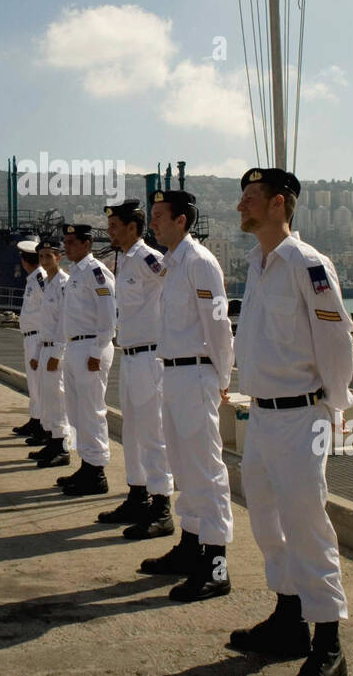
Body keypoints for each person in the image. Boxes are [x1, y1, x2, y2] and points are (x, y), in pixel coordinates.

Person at [229, 167, 353, 676]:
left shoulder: (308, 265)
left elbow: (336, 340)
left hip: (301, 416)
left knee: (307, 526)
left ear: (280, 204)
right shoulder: (259, 264)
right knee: (268, 522)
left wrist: (333, 406)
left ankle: (329, 644)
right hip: (260, 415)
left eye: (251, 199)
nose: (241, 207)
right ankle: (288, 621)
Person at [138, 190, 234, 603]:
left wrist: (222, 377)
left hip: (195, 374)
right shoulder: (172, 266)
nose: (153, 223)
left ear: (181, 220)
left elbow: (219, 326)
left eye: (159, 216)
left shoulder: (199, 263)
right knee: (183, 466)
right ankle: (190, 547)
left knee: (206, 470)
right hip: (172, 373)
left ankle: (216, 566)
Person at [101, 199, 174, 539]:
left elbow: (172, 283)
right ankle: (137, 495)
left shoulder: (148, 258)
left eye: (115, 226)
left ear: (132, 228)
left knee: (152, 433)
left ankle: (162, 506)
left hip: (149, 357)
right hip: (129, 356)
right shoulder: (126, 260)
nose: (110, 232)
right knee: (131, 431)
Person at [54, 223, 116, 497]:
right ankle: (87, 464)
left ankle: (97, 472)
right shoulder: (75, 275)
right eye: (65, 242)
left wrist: (97, 350)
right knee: (77, 412)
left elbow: (108, 315)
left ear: (86, 244)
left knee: (92, 411)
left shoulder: (96, 272)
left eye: (71, 242)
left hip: (91, 346)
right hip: (74, 347)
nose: (66, 247)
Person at [30, 239, 73, 466]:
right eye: (41, 257)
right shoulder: (48, 284)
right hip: (45, 347)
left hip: (57, 350)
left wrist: (56, 353)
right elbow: (44, 323)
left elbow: (63, 323)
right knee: (47, 399)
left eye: (49, 256)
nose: (44, 261)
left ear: (59, 257)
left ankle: (63, 447)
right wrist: (37, 353)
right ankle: (52, 441)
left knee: (58, 399)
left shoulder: (64, 284)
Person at [11, 239, 49, 446]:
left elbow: (49, 307)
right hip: (31, 337)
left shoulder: (40, 279)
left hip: (38, 337)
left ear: (25, 261)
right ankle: (36, 420)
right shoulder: (33, 279)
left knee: (40, 384)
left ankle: (44, 425)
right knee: (33, 384)